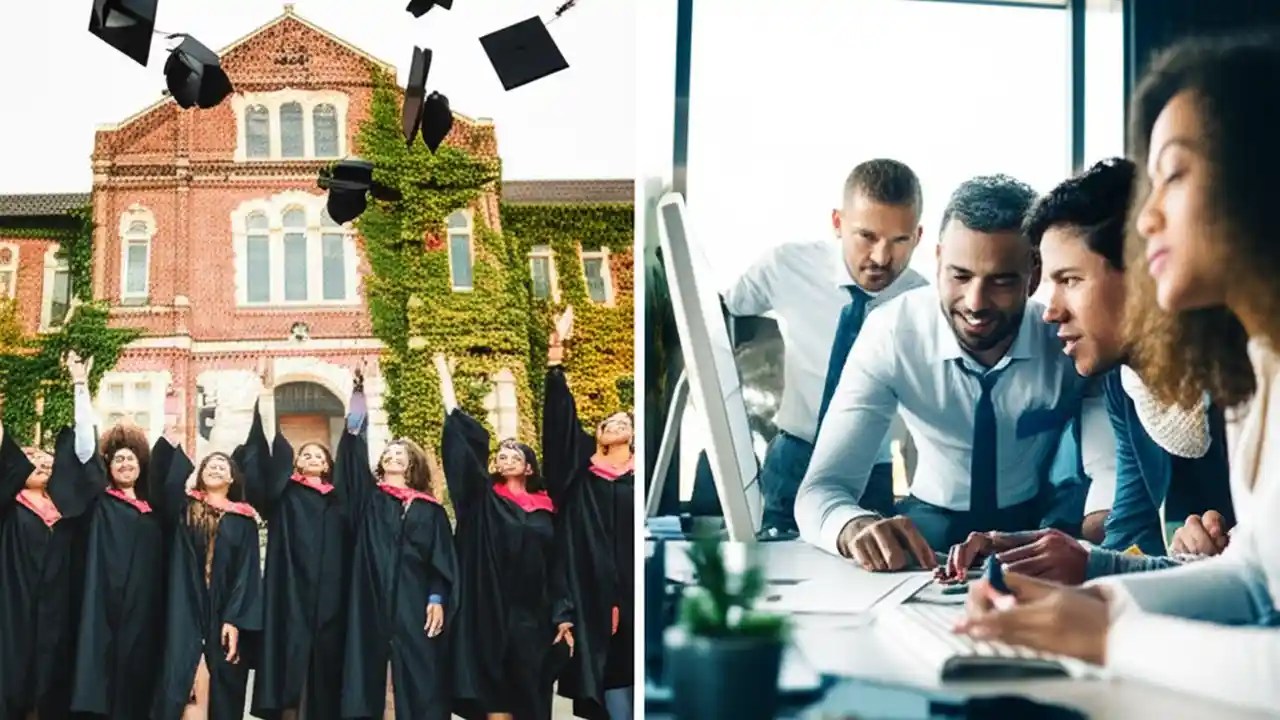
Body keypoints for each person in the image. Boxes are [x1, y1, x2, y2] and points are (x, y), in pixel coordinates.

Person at [956, 32, 1280, 713]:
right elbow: (1254, 580)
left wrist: (1110, 633)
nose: (1148, 218)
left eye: (1175, 174)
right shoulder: (1254, 370)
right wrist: (1087, 596)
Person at [942, 158, 1234, 584]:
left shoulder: (1244, 378)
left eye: (1071, 280)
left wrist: (1213, 562)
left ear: (1143, 274)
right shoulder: (1126, 385)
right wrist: (1027, 548)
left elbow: (1260, 565)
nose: (1051, 311)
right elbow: (1128, 539)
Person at [795, 174, 1086, 569]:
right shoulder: (892, 332)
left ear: (1033, 275)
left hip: (1035, 527)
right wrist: (854, 525)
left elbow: (1111, 479)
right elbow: (822, 489)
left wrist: (1096, 542)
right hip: (928, 525)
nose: (975, 303)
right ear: (937, 260)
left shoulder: (1067, 342)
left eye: (1000, 281)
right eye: (960, 276)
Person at [722, 159, 928, 534]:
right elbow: (719, 317)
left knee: (863, 582)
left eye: (899, 241)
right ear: (838, 223)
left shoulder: (925, 303)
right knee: (774, 576)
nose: (882, 257)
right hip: (793, 460)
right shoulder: (786, 266)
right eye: (867, 236)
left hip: (871, 471)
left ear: (918, 236)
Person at [435, 354, 574, 720]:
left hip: (533, 613)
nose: (506, 457)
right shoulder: (483, 499)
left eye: (515, 454)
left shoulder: (547, 508)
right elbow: (462, 451)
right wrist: (446, 383)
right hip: (488, 609)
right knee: (493, 694)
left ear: (529, 467)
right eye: (501, 454)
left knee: (531, 692)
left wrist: (563, 616)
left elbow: (557, 565)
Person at [249, 359, 359, 720]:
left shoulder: (338, 499)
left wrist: (358, 397)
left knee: (328, 662)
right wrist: (267, 396)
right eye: (305, 454)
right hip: (290, 590)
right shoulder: (284, 493)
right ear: (296, 464)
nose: (312, 457)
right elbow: (264, 453)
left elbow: (356, 454)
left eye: (319, 454)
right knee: (290, 661)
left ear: (328, 465)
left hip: (332, 593)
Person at [340, 391, 458, 720]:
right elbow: (350, 464)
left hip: (414, 595)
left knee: (420, 670)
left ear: (412, 463)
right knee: (367, 668)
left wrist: (437, 597)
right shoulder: (369, 497)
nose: (393, 457)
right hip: (370, 594)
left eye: (399, 453)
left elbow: (441, 557)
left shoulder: (429, 508)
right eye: (388, 453)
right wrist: (356, 412)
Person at [67, 353, 172, 720]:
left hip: (144, 610)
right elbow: (83, 450)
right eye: (118, 460)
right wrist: (81, 386)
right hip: (102, 604)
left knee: (139, 684)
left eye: (131, 459)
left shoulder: (154, 513)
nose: (126, 463)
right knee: (102, 678)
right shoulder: (99, 501)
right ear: (108, 468)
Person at [0, 354, 103, 720]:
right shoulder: (9, 506)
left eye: (47, 461)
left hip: (57, 609)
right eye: (32, 459)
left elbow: (85, 451)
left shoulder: (65, 510)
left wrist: (80, 386)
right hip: (13, 607)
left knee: (52, 683)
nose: (42, 463)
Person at [543, 306, 635, 720]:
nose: (612, 423)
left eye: (621, 420)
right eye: (605, 421)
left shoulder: (642, 476)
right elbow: (562, 424)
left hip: (639, 588)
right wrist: (556, 353)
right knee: (608, 676)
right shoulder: (581, 474)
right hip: (592, 597)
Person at [151, 438, 263, 720]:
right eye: (210, 465)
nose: (216, 468)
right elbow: (164, 488)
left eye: (222, 466)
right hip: (184, 606)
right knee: (183, 678)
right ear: (199, 474)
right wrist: (171, 439)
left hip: (223, 610)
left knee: (224, 682)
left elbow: (247, 573)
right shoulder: (185, 509)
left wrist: (234, 619)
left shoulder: (244, 519)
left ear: (232, 478)